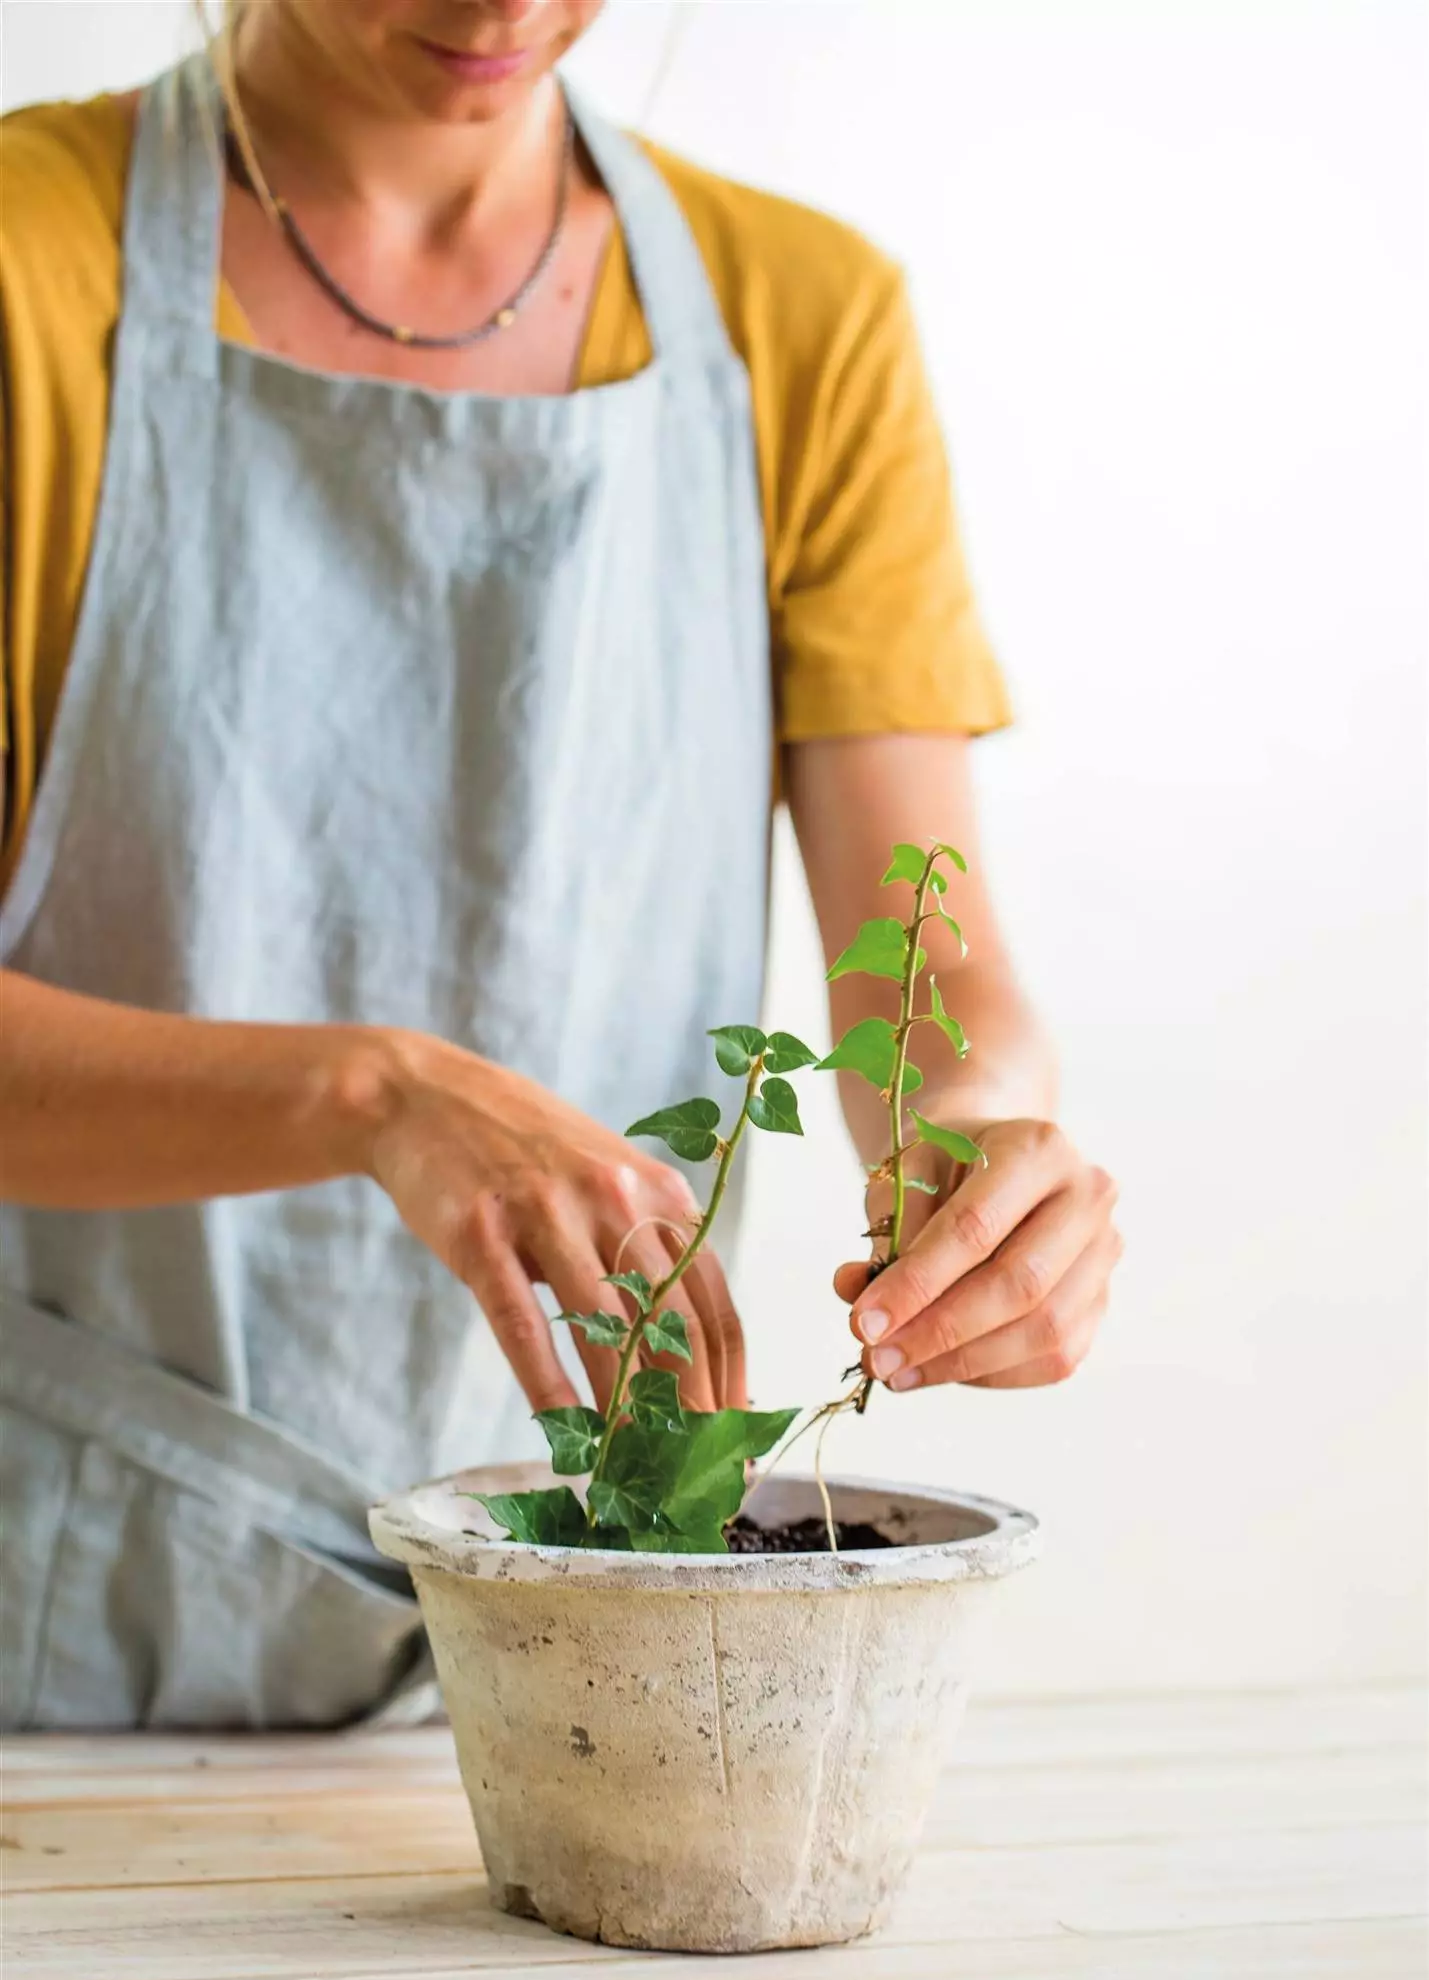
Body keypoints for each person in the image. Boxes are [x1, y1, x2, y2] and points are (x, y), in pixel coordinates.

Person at [0, 0, 1121, 1729]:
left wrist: (980, 1157)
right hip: (60, 1633)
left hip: (593, 1649)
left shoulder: (803, 323)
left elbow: (931, 959)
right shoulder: (25, 262)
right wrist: (378, 1095)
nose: (501, 11)